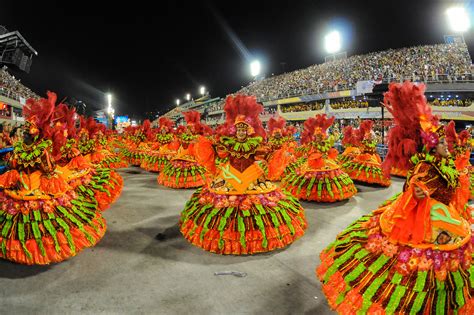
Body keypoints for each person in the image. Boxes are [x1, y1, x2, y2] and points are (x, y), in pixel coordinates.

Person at [317, 82, 473, 314]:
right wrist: (415, 191)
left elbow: (455, 188)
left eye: (445, 142)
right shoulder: (424, 166)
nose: (446, 146)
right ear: (432, 146)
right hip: (427, 218)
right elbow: (413, 184)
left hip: (444, 213)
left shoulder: (446, 163)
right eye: (441, 143)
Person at [179, 95, 307, 254]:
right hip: (229, 176)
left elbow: (264, 156)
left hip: (252, 175)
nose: (240, 131)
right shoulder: (228, 143)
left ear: (248, 130)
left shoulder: (255, 144)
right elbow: (219, 154)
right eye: (238, 128)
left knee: (259, 203)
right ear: (234, 130)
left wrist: (277, 155)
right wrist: (206, 145)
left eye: (243, 128)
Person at [0, 92, 106, 265]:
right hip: (26, 184)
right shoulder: (31, 149)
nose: (24, 133)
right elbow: (43, 168)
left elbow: (29, 166)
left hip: (28, 183)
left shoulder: (33, 149)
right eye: (25, 130)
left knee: (41, 213)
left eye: (26, 131)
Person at [282, 114, 357, 202]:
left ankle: (327, 193)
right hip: (313, 161)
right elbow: (309, 152)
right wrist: (315, 154)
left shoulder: (325, 143)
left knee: (330, 176)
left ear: (323, 137)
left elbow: (328, 151)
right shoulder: (312, 144)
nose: (318, 138)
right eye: (317, 137)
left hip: (326, 161)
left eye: (320, 137)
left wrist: (325, 154)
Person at [342, 120, 391, 187]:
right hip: (365, 153)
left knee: (369, 165)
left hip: (369, 153)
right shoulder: (366, 135)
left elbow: (370, 144)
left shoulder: (370, 134)